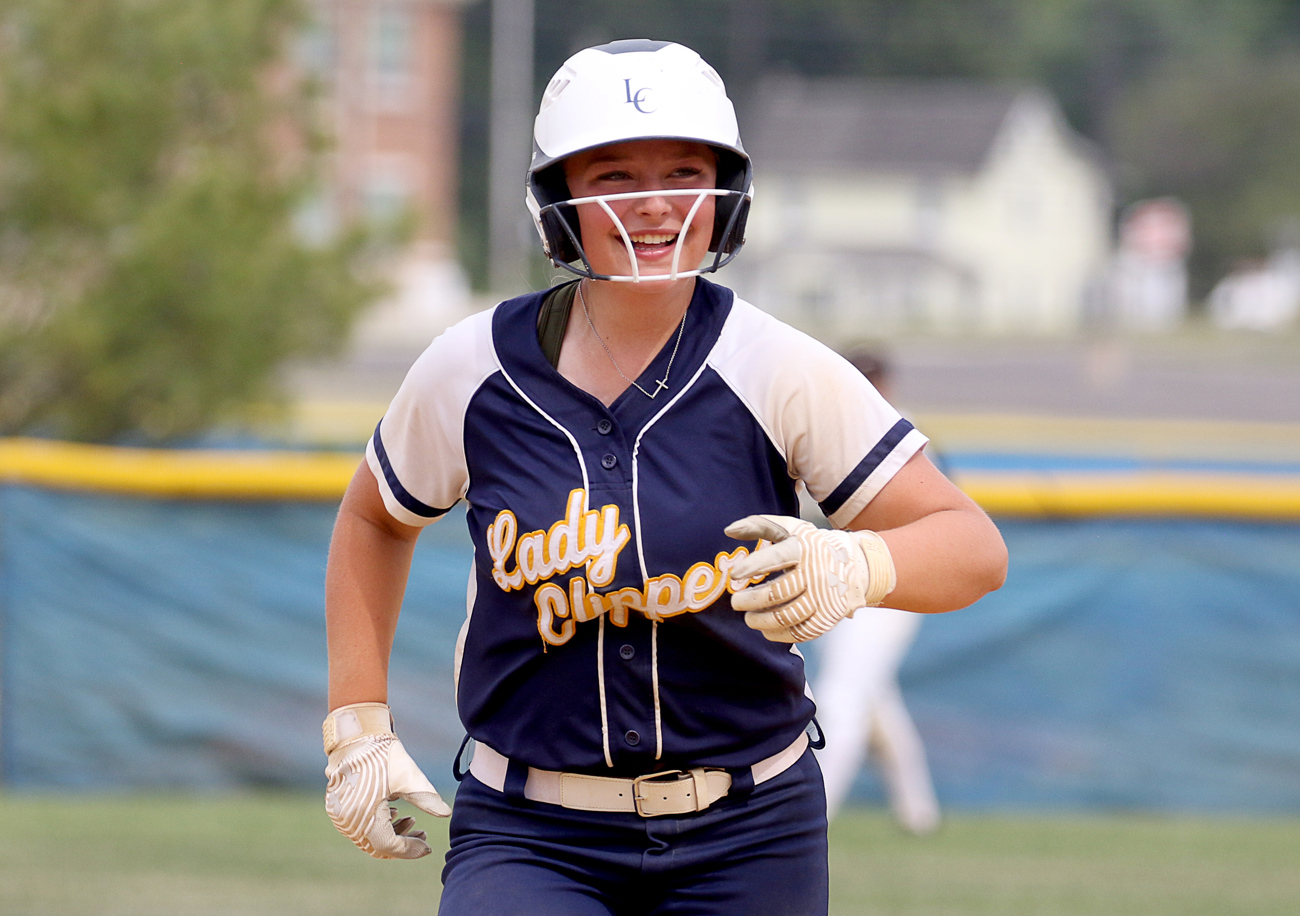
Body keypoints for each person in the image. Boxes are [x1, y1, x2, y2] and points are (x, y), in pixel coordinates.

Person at [322, 40, 1006, 916]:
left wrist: (859, 564)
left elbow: (973, 548)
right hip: (529, 828)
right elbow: (374, 520)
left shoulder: (776, 365)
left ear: (726, 192)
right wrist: (355, 724)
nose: (654, 204)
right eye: (613, 175)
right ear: (558, 198)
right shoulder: (471, 368)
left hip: (750, 827)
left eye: (684, 171)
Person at [806, 348, 941, 834]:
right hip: (845, 580)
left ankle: (810, 817)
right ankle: (919, 813)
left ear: (885, 382)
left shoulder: (905, 437)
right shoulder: (824, 427)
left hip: (892, 583)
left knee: (842, 697)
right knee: (873, 697)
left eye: (868, 378)